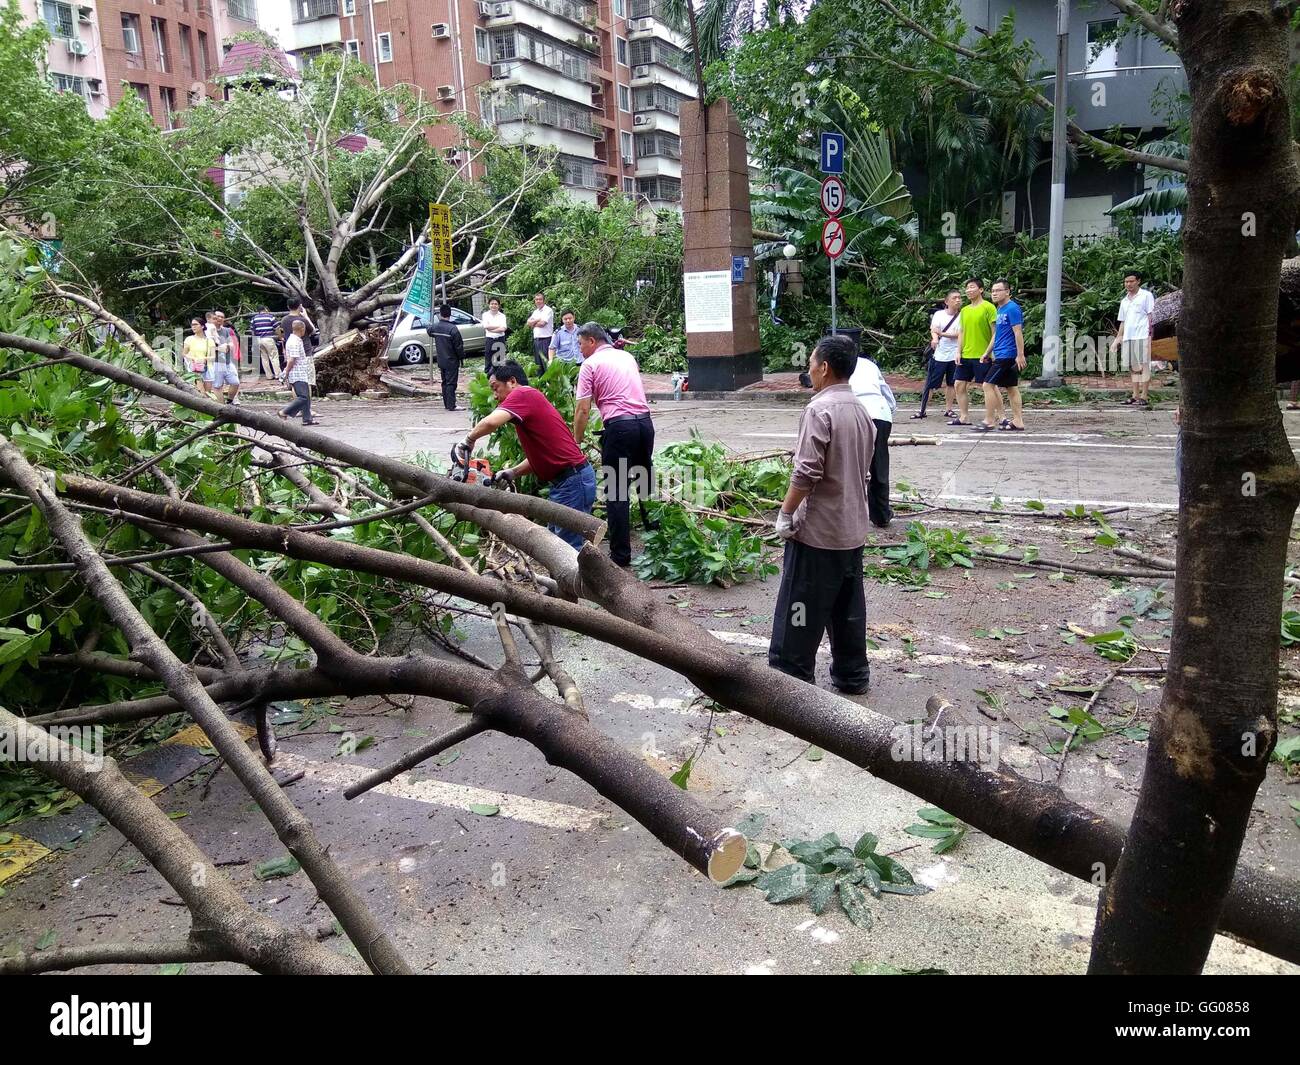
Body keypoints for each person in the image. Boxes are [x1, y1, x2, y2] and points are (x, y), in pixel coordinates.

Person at [768, 334, 874, 694]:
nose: (808, 370)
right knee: (846, 609)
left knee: (800, 607)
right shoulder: (861, 411)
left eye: (811, 363)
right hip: (852, 529)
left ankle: (790, 679)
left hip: (818, 531)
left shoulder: (819, 410)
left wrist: (786, 513)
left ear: (825, 368)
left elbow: (806, 472)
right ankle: (852, 675)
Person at [458, 361, 596, 550]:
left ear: (512, 381)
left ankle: (580, 580)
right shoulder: (529, 400)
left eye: (495, 388)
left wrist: (468, 440)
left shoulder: (522, 394)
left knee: (568, 548)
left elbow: (491, 422)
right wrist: (513, 472)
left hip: (572, 481)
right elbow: (542, 456)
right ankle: (569, 580)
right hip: (568, 481)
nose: (495, 396)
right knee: (560, 544)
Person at [572, 321, 655, 567]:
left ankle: (620, 555)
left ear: (591, 341)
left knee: (617, 492)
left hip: (620, 428)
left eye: (580, 344)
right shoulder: (626, 356)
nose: (580, 350)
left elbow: (582, 409)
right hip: (644, 424)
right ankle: (657, 537)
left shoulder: (590, 365)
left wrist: (575, 443)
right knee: (644, 481)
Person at [849, 348, 897, 527]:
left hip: (854, 412)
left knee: (850, 465)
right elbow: (886, 391)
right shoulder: (869, 365)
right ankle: (881, 514)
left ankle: (851, 513)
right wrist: (890, 409)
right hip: (880, 413)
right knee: (879, 465)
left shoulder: (836, 362)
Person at [976, 279, 1026, 432]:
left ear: (1008, 292)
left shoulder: (1012, 308)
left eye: (998, 290)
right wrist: (987, 352)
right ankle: (1018, 421)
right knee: (1011, 388)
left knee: (987, 385)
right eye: (993, 291)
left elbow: (1018, 332)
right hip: (1001, 353)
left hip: (1007, 355)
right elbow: (997, 334)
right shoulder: (1000, 310)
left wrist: (1020, 355)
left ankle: (989, 420)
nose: (994, 293)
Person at [953, 279, 996, 426]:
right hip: (966, 354)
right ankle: (963, 417)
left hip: (982, 355)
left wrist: (988, 352)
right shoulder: (964, 310)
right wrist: (958, 351)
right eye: (967, 288)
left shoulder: (988, 307)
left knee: (989, 386)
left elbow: (995, 333)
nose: (969, 290)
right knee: (958, 384)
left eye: (972, 287)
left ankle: (995, 417)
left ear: (981, 290)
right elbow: (962, 332)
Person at [1111, 270, 1156, 409]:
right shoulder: (1124, 301)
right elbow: (1123, 322)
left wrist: (1150, 335)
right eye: (1126, 281)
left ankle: (1144, 395)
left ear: (1138, 281)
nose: (1128, 284)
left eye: (1131, 281)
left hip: (1142, 335)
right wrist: (1118, 338)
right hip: (1129, 336)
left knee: (1144, 366)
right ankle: (1135, 395)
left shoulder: (1146, 296)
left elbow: (1151, 316)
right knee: (1133, 367)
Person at [914, 290, 961, 419]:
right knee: (930, 384)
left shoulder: (962, 316)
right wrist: (935, 338)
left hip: (954, 353)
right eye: (954, 298)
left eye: (959, 298)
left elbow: (960, 334)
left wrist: (942, 334)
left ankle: (949, 409)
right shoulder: (939, 315)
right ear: (947, 302)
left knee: (951, 383)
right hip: (939, 354)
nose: (957, 300)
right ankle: (922, 410)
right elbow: (933, 329)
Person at [279, 320, 320, 426]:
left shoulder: (296, 340)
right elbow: (292, 360)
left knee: (306, 396)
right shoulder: (294, 341)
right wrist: (286, 372)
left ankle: (307, 418)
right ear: (302, 329)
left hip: (302, 372)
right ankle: (284, 411)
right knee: (303, 397)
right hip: (297, 373)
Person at [426, 302, 465, 411]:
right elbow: (459, 347)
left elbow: (429, 330)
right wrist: (462, 357)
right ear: (450, 314)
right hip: (452, 361)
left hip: (441, 360)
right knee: (451, 383)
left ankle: (446, 404)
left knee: (444, 382)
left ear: (440, 314)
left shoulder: (436, 327)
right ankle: (451, 405)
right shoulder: (453, 329)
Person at [206, 310, 241, 404]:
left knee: (235, 382)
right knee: (217, 386)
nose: (219, 318)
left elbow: (231, 344)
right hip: (215, 362)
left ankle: (230, 401)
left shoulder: (227, 330)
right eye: (217, 316)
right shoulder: (207, 332)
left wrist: (227, 346)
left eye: (222, 317)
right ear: (212, 318)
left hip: (227, 361)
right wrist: (219, 348)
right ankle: (221, 406)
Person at [525, 292, 554, 375]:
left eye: (540, 299)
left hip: (546, 340)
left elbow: (542, 324)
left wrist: (533, 323)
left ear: (544, 300)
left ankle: (550, 385)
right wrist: (538, 319)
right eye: (536, 299)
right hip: (536, 341)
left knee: (546, 364)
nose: (538, 301)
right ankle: (541, 385)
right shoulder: (535, 312)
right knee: (538, 365)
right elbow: (528, 324)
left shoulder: (548, 310)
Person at [183, 317, 213, 395]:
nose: (193, 326)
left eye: (196, 324)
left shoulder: (209, 341)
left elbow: (213, 356)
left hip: (207, 368)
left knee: (208, 393)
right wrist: (194, 359)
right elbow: (184, 354)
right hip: (194, 368)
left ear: (202, 326)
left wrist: (204, 359)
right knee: (201, 392)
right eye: (192, 325)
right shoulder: (189, 339)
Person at [249, 304, 280, 379]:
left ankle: (269, 375)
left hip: (259, 339)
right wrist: (280, 337)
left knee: (264, 358)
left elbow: (253, 331)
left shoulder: (254, 319)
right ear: (265, 309)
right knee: (274, 357)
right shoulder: (270, 317)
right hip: (268, 339)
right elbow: (277, 328)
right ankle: (278, 375)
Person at [481, 296, 508, 375]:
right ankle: (488, 378)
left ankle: (500, 378)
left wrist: (491, 329)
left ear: (498, 305)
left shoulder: (502, 316)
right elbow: (486, 326)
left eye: (496, 304)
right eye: (492, 304)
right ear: (489, 305)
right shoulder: (485, 315)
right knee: (489, 360)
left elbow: (503, 328)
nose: (494, 305)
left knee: (500, 361)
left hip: (500, 339)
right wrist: (498, 326)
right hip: (490, 340)